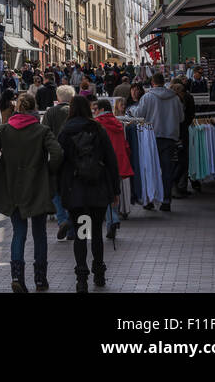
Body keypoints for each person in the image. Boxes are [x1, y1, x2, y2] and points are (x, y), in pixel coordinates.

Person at [0, 91, 63, 293]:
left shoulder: (5, 130)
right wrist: (48, 172)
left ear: (17, 108)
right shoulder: (42, 130)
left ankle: (17, 275)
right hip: (36, 187)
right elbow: (58, 154)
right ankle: (40, 278)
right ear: (35, 108)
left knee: (18, 233)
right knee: (40, 234)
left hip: (13, 188)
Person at [57, 95, 120, 292]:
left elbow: (59, 163)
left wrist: (61, 190)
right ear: (88, 109)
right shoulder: (98, 129)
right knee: (97, 234)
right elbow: (111, 160)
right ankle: (99, 272)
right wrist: (115, 190)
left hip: (76, 192)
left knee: (81, 234)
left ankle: (81, 276)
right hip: (98, 191)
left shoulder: (65, 132)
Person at [131, 72, 183, 211]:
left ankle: (150, 200)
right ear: (163, 81)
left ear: (152, 83)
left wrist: (134, 108)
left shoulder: (147, 97)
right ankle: (166, 200)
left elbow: (139, 115)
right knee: (167, 170)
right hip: (170, 137)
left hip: (151, 138)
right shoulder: (175, 98)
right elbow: (181, 117)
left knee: (150, 169)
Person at [93, 98, 132, 239]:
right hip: (118, 163)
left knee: (104, 194)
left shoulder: (97, 124)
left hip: (102, 164)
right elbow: (126, 145)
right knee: (115, 193)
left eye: (96, 109)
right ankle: (112, 221)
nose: (94, 112)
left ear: (102, 109)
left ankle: (113, 220)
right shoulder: (118, 123)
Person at [42, 85, 74, 240]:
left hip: (54, 156)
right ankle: (73, 227)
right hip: (73, 158)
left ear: (58, 98)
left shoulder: (50, 112)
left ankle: (62, 219)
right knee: (72, 190)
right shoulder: (74, 111)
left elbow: (44, 133)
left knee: (55, 190)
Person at [174, 78, 196, 197]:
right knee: (182, 160)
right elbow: (189, 115)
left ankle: (178, 186)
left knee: (179, 160)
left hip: (177, 133)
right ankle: (178, 185)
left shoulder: (179, 100)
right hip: (181, 133)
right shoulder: (180, 101)